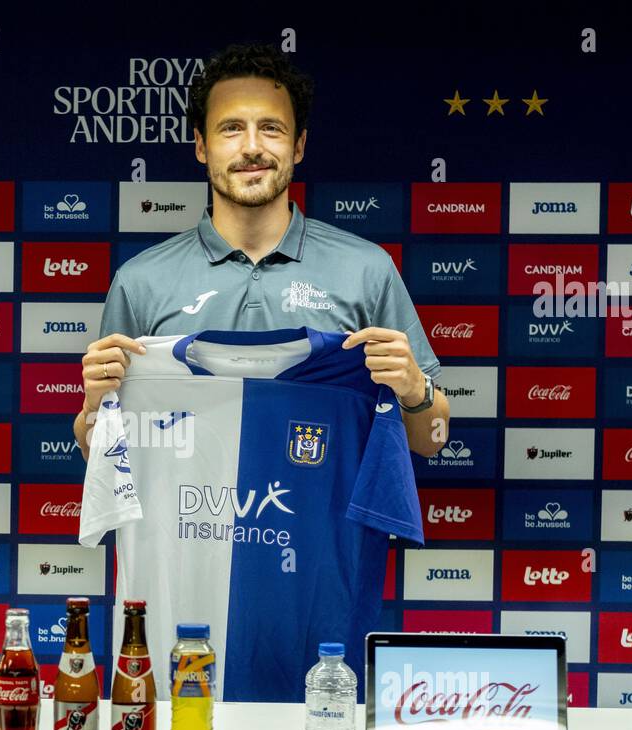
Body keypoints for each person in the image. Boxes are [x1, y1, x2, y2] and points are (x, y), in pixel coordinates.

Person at [72, 42, 449, 459]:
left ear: (299, 146)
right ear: (201, 146)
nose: (252, 147)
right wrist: (94, 406)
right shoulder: (140, 281)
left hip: (324, 522)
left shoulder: (367, 269)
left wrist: (416, 389)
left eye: (271, 128)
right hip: (194, 523)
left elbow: (431, 441)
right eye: (231, 128)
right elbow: (96, 453)